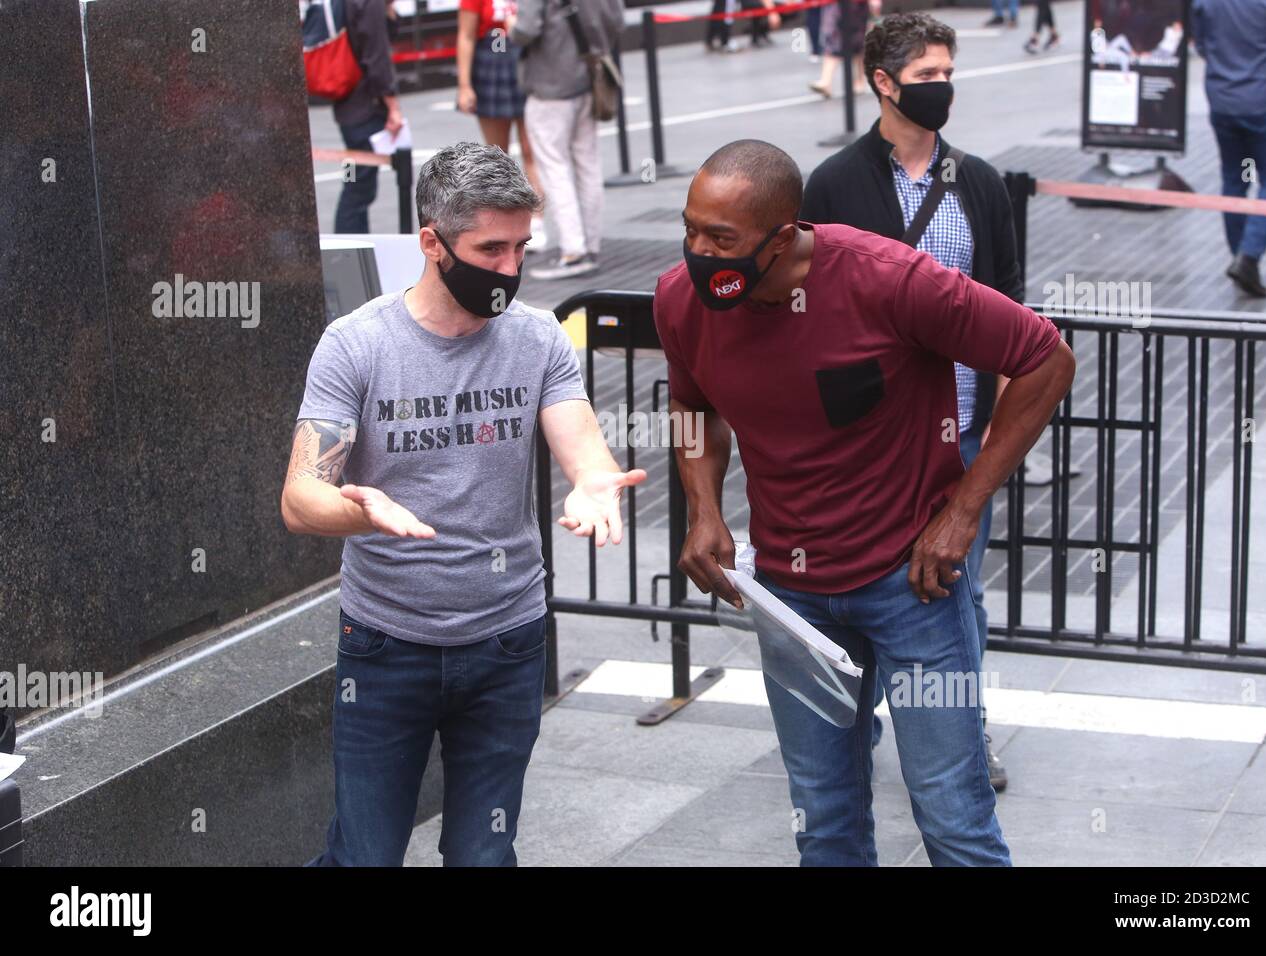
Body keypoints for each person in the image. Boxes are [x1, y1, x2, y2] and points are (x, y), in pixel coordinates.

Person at [655, 139, 1075, 865]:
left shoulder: (889, 279)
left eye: (721, 239)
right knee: (824, 820)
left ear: (782, 236)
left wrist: (963, 512)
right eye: (690, 229)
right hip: (792, 597)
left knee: (953, 817)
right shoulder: (680, 300)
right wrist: (704, 507)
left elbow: (1045, 357)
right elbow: (692, 408)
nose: (699, 252)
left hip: (912, 584)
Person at [291, 142, 645, 866]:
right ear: (431, 242)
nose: (510, 269)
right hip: (386, 644)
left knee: (484, 855)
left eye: (520, 247)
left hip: (507, 640)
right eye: (491, 248)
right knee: (365, 854)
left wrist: (591, 480)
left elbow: (582, 443)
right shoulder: (356, 346)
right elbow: (301, 498)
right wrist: (363, 512)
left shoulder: (538, 337)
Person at [803, 11, 1024, 789]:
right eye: (926, 76)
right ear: (884, 83)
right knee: (869, 583)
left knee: (959, 589)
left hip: (963, 428)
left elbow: (1009, 307)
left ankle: (963, 734)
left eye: (947, 73)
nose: (943, 88)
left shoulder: (982, 183)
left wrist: (995, 420)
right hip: (874, 434)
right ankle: (851, 734)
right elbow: (816, 312)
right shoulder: (833, 184)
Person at [508, 0, 625, 280]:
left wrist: (510, 27)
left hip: (550, 84)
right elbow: (617, 21)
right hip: (590, 77)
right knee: (588, 163)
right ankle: (590, 245)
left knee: (554, 168)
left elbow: (525, 29)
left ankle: (573, 251)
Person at [1191, 0, 1266, 298]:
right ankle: (1248, 256)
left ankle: (1240, 256)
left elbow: (1200, 43)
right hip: (1263, 102)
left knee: (1236, 179)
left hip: (1224, 101)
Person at [455, 0, 548, 249]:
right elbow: (465, 35)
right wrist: (464, 85)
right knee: (497, 154)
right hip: (491, 61)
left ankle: (536, 220)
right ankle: (503, 221)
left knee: (533, 150)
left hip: (529, 59)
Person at [333, 0, 404, 233]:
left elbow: (383, 35)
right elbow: (377, 54)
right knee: (357, 189)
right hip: (365, 105)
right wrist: (392, 105)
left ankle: (349, 253)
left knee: (355, 182)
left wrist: (388, 9)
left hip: (347, 102)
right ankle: (347, 256)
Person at [810, 0, 878, 97]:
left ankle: (859, 81)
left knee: (857, 41)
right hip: (833, 4)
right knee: (831, 38)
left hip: (856, 5)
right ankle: (826, 81)